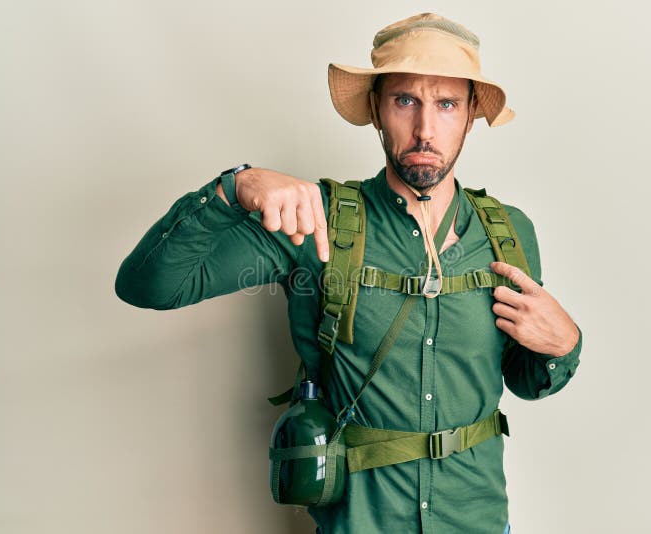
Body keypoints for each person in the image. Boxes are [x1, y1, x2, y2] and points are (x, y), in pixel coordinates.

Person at [115, 12, 582, 534]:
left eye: (446, 104)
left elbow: (526, 378)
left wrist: (566, 345)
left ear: (471, 114)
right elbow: (148, 285)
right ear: (378, 111)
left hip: (478, 520)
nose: (426, 128)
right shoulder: (315, 222)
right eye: (405, 100)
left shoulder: (508, 233)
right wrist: (233, 188)